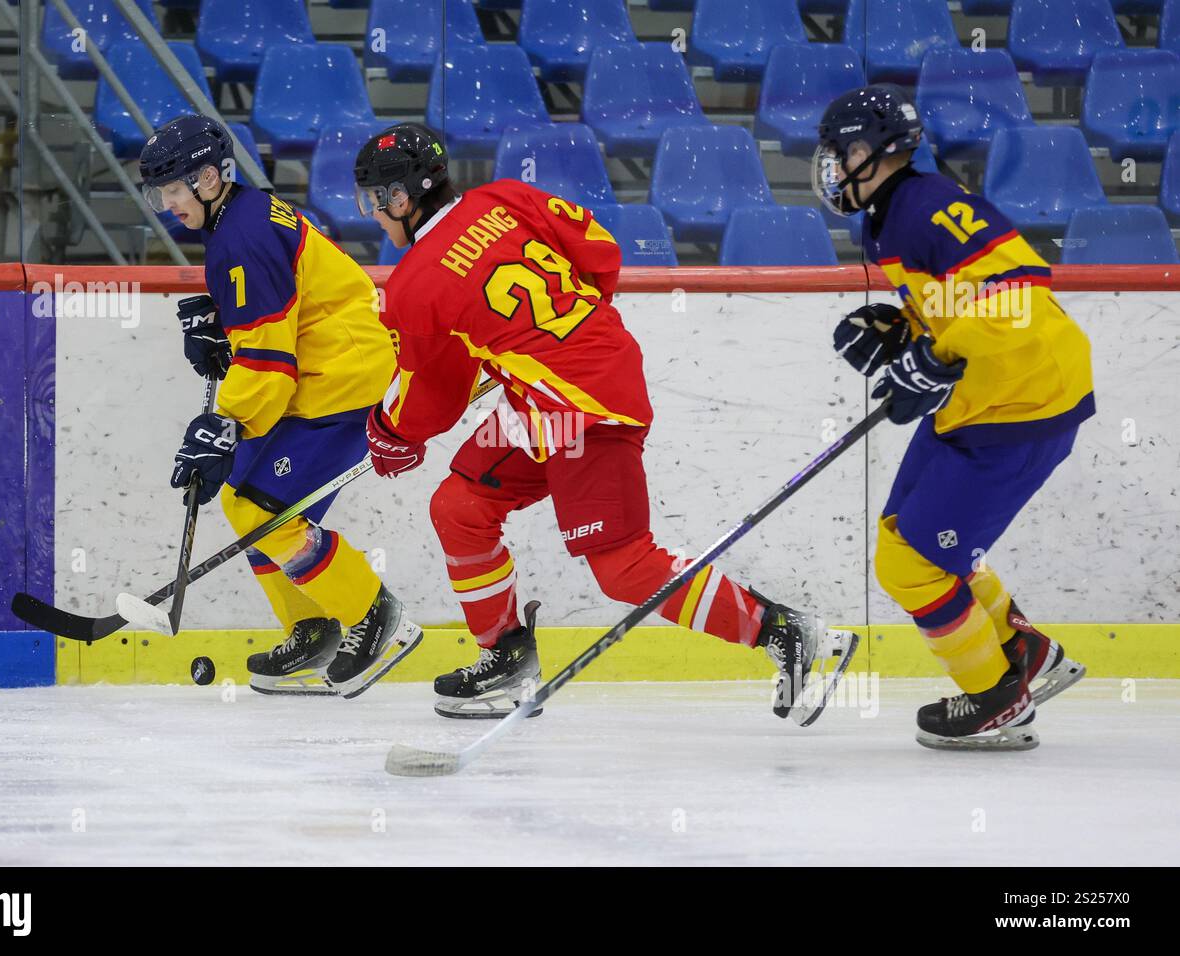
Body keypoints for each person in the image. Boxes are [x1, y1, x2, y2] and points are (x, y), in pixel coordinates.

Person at [351, 123, 856, 720]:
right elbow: (600, 251)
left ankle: (784, 632)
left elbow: (432, 395)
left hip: (584, 409)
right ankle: (506, 655)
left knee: (622, 566)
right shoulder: (506, 198)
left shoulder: (414, 283)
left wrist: (392, 434)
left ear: (402, 198)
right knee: (459, 507)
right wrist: (545, 342)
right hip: (552, 402)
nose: (373, 216)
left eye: (373, 201)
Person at [813, 85, 1091, 750]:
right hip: (987, 400)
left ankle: (996, 699)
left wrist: (933, 356)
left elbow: (1018, 296)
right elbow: (967, 301)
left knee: (914, 566)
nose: (830, 166)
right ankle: (1027, 657)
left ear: (872, 151)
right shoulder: (894, 213)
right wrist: (907, 327)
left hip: (1023, 404)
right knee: (901, 538)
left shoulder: (925, 204)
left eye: (841, 150)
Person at [138, 114, 422, 698]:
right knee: (249, 488)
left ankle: (374, 617)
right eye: (159, 192)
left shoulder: (241, 237)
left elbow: (269, 360)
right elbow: (281, 316)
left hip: (346, 378)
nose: (167, 204)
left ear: (211, 179)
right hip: (326, 366)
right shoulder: (243, 218)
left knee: (258, 506)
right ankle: (310, 630)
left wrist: (225, 422)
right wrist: (223, 327)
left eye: (173, 189)